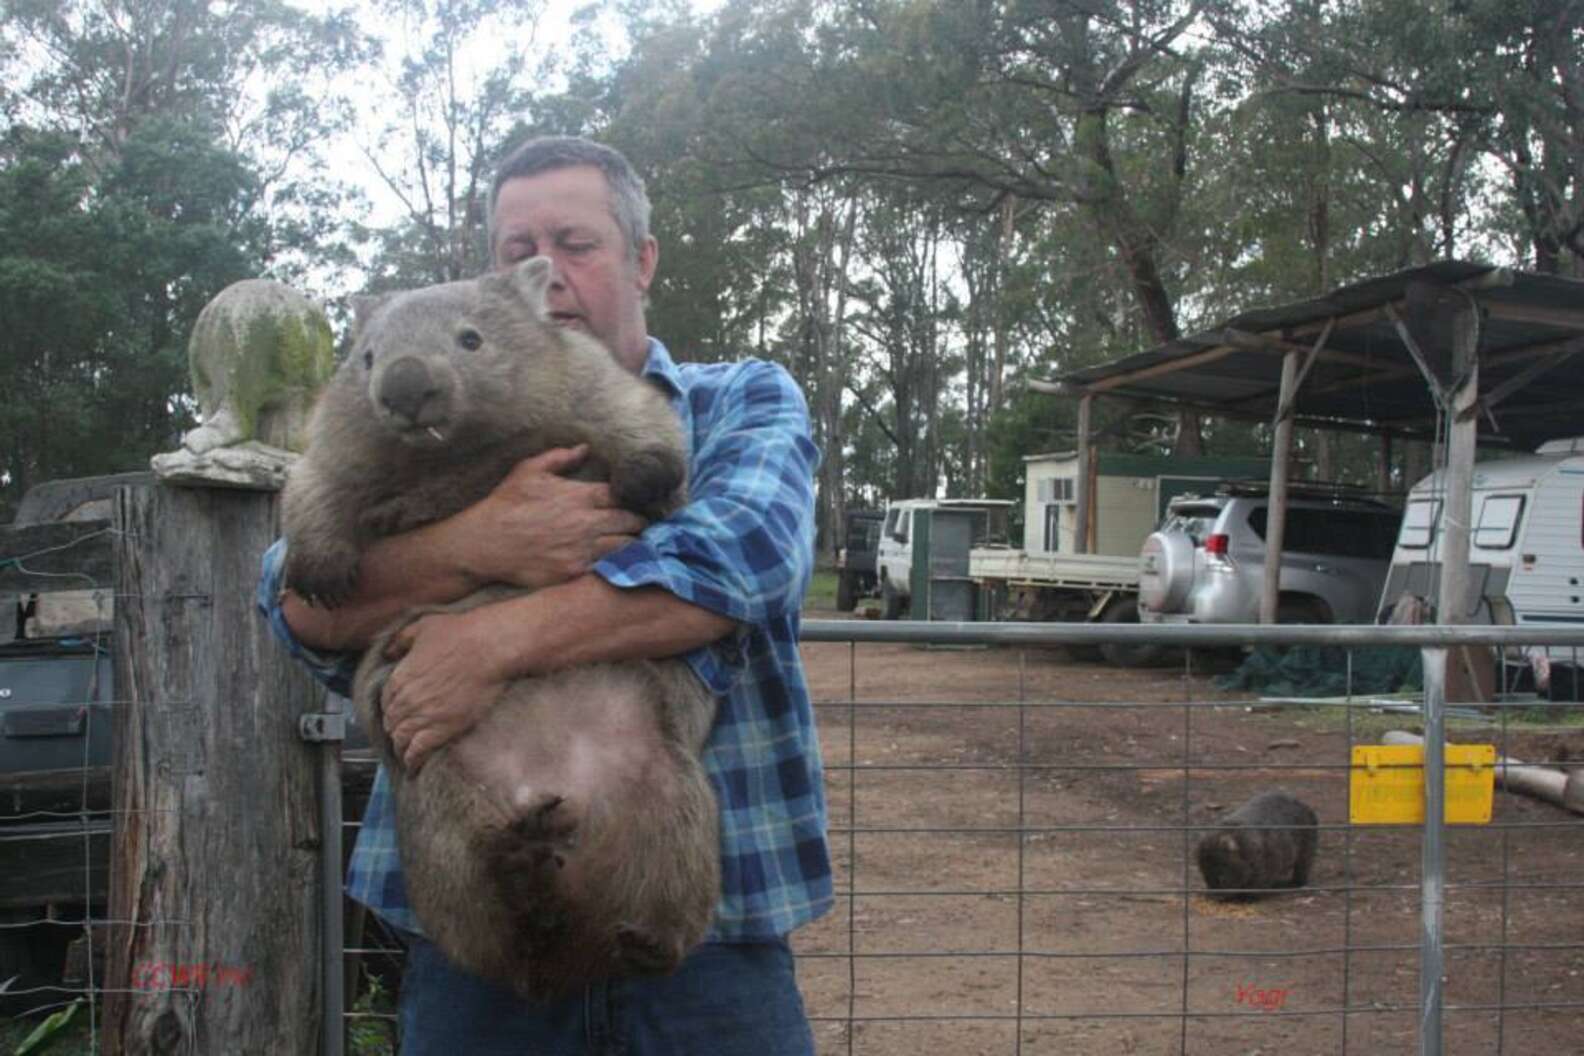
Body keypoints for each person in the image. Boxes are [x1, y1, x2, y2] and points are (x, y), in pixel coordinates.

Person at [257, 135, 831, 1055]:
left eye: (576, 242)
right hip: (469, 940)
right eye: (518, 251)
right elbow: (293, 599)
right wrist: (482, 543)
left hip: (710, 952)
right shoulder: (393, 413)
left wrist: (486, 643)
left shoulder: (738, 401)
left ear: (641, 260)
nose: (547, 271)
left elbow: (743, 562)